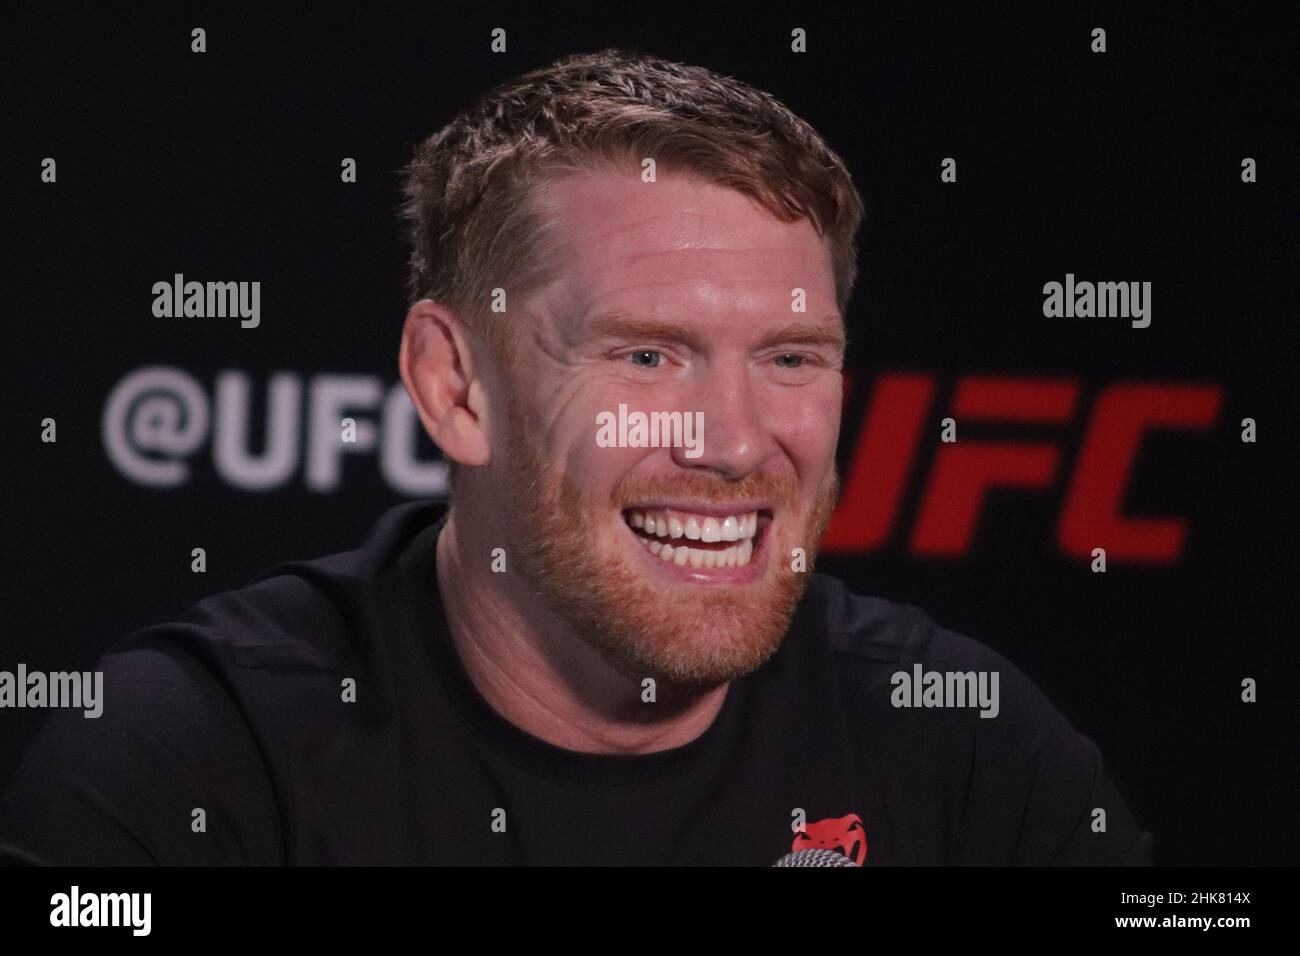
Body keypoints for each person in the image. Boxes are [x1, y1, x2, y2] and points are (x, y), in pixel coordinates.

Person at [0, 49, 1151, 866]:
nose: (737, 440)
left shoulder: (965, 747)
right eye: (648, 355)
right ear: (455, 388)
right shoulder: (182, 765)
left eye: (793, 357)